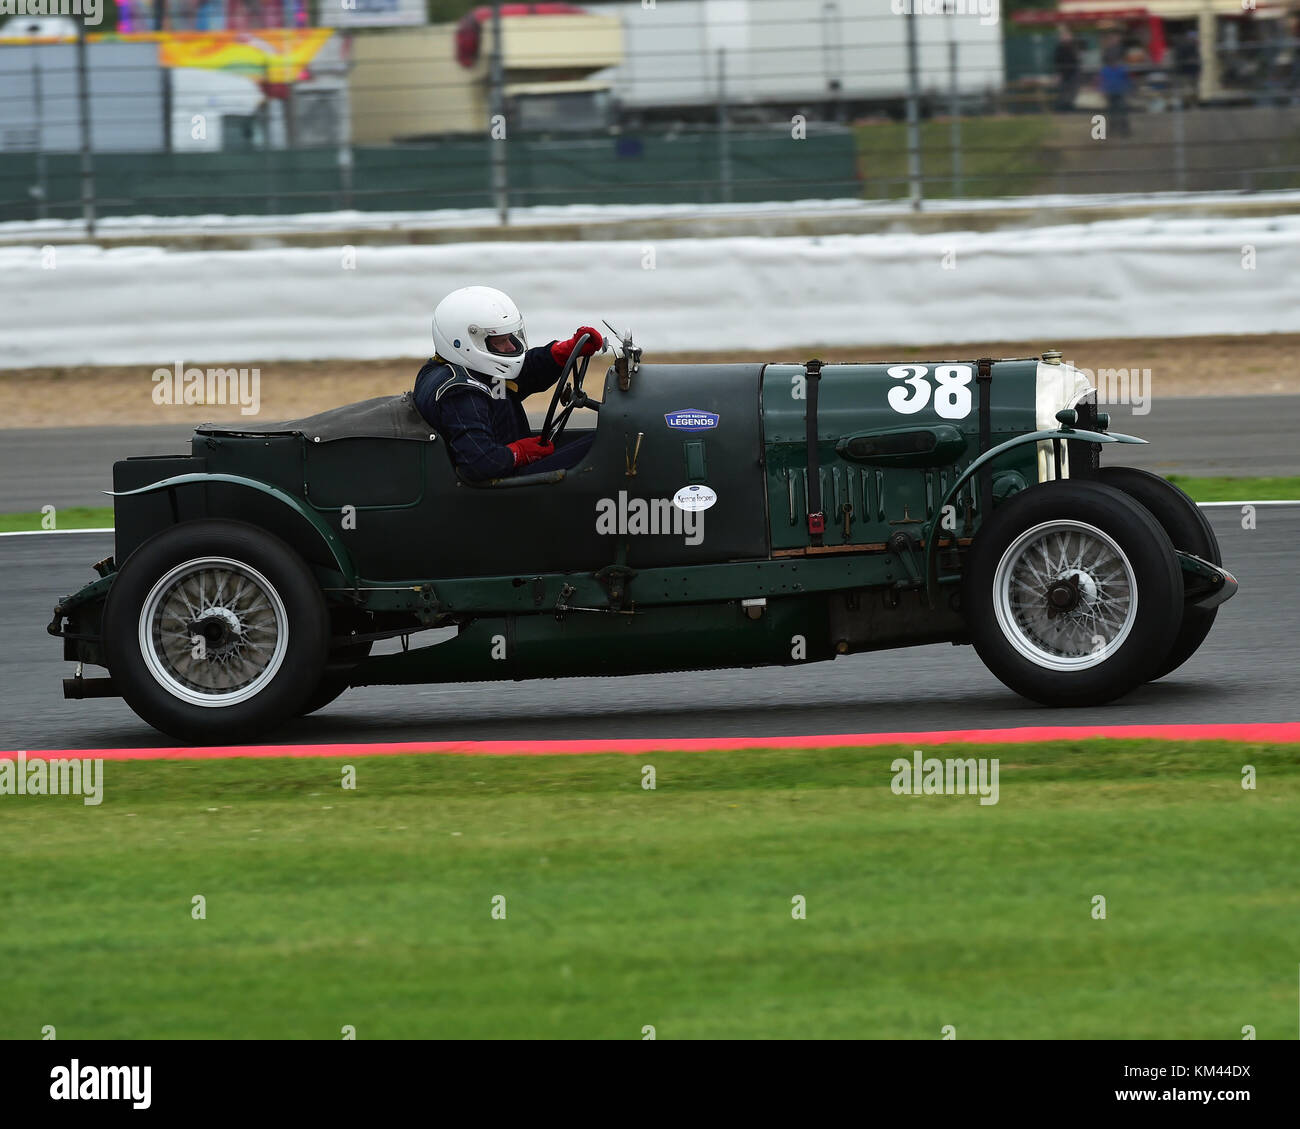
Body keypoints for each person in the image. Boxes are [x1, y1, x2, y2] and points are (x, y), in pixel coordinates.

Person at [412, 286, 602, 482]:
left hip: (511, 476)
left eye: (510, 338)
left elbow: (522, 378)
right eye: (501, 341)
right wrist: (520, 452)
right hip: (504, 487)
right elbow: (481, 463)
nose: (511, 346)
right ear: (464, 342)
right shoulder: (461, 393)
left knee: (604, 441)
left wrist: (563, 351)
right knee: (614, 444)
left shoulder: (468, 374)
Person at [1099, 34, 1133, 137]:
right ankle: (1119, 129)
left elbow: (1126, 78)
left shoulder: (1113, 67)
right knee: (1116, 111)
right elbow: (1126, 78)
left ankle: (1121, 129)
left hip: (1116, 89)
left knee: (1118, 111)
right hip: (1114, 89)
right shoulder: (1113, 67)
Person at [1053, 27, 1081, 112]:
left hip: (1072, 73)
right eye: (1064, 36)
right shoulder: (1059, 48)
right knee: (1063, 91)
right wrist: (1058, 73)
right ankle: (1062, 107)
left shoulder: (1073, 47)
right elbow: (1057, 61)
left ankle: (1069, 105)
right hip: (1063, 73)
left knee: (1072, 91)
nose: (1066, 38)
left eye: (1067, 36)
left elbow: (1076, 60)